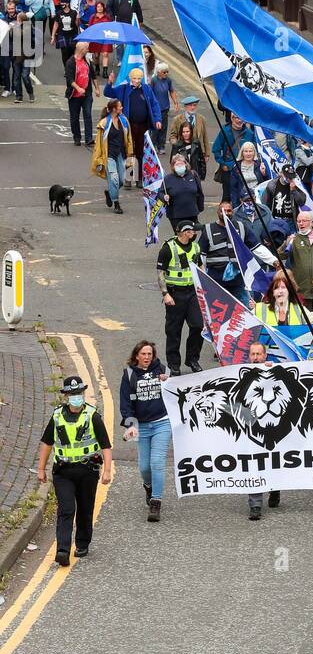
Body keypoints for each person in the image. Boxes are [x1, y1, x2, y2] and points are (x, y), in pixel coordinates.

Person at [36, 375, 113, 566]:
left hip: (88, 470)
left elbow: (105, 445)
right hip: (63, 472)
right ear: (65, 396)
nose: (76, 397)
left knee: (85, 509)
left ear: (83, 394)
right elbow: (47, 442)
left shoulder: (92, 416)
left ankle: (82, 543)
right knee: (66, 509)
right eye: (72, 394)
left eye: (78, 393)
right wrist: (41, 469)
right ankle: (62, 549)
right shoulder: (56, 416)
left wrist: (107, 470)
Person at [120, 341, 171, 523]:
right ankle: (148, 486)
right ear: (136, 356)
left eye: (150, 354)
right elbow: (125, 403)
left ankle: (155, 502)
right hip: (141, 426)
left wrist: (169, 381)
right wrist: (130, 425)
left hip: (162, 423)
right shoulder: (129, 375)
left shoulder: (163, 370)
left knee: (157, 462)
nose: (147, 357)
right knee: (144, 466)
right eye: (143, 354)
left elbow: (177, 392)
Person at [156, 220, 204, 374]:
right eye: (192, 230)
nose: (195, 233)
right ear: (185, 232)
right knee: (174, 330)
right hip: (175, 294)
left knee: (198, 326)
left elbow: (200, 267)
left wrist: (204, 287)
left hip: (192, 293)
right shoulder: (168, 248)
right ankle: (174, 364)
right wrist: (165, 294)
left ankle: (192, 359)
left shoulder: (196, 247)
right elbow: (160, 273)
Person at [243, 342, 282, 520]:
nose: (256, 357)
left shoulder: (273, 370)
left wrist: (273, 369)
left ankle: (275, 487)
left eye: (259, 354)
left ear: (265, 355)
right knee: (254, 463)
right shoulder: (240, 372)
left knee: (272, 459)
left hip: (273, 426)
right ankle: (256, 504)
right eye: (253, 354)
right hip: (251, 426)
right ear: (249, 356)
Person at [104, 66, 162, 183]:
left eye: (139, 78)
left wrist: (157, 119)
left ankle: (140, 178)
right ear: (130, 78)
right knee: (129, 152)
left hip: (143, 126)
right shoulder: (123, 89)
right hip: (128, 126)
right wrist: (110, 82)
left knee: (141, 153)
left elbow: (154, 104)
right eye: (135, 78)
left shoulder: (146, 89)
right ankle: (129, 178)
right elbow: (108, 92)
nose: (137, 81)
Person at [198, 201, 263, 307]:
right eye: (223, 210)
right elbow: (201, 256)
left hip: (239, 280)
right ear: (217, 212)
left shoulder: (241, 227)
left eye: (229, 210)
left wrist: (273, 260)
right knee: (219, 312)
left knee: (244, 310)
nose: (226, 213)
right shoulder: (208, 229)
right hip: (216, 280)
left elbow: (257, 247)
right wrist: (203, 277)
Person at [91, 97, 132, 214]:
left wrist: (130, 154)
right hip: (108, 155)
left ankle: (109, 192)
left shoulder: (124, 121)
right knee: (114, 179)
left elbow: (129, 139)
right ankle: (116, 203)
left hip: (121, 154)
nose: (122, 108)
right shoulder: (103, 124)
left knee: (122, 180)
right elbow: (98, 144)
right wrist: (98, 160)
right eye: (120, 106)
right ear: (114, 109)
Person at [65, 41, 100, 147]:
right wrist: (78, 88)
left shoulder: (87, 61)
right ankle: (77, 137)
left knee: (88, 115)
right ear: (81, 49)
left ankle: (89, 139)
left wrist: (97, 88)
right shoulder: (70, 62)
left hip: (87, 94)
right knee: (74, 117)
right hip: (74, 95)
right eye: (86, 48)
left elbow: (93, 76)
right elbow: (70, 79)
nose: (88, 50)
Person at [212, 113, 254, 202]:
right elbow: (216, 149)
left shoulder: (250, 134)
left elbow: (255, 151)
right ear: (231, 118)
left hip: (244, 170)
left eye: (241, 118)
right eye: (236, 118)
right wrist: (223, 164)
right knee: (227, 198)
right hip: (228, 170)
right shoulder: (224, 131)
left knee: (244, 197)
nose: (239, 120)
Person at [164, 150, 205, 230]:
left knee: (191, 234)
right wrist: (164, 197)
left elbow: (199, 192)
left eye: (181, 164)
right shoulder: (168, 179)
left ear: (186, 164)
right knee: (180, 236)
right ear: (173, 166)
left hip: (191, 212)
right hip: (175, 215)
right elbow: (161, 193)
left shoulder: (193, 175)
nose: (179, 166)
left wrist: (199, 208)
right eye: (177, 164)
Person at [169, 96, 210, 168]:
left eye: (194, 105)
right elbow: (172, 136)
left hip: (197, 153)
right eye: (190, 105)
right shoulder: (177, 119)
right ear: (185, 106)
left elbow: (205, 137)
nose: (193, 107)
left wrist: (207, 154)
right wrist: (177, 145)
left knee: (197, 175)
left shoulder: (201, 119)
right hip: (182, 153)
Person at [229, 140, 269, 209]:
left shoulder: (259, 165)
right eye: (246, 151)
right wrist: (236, 206)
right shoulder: (236, 167)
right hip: (243, 199)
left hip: (258, 198)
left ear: (254, 153)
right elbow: (233, 189)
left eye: (250, 151)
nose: (248, 154)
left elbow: (266, 184)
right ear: (242, 153)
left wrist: (264, 174)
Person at [8, 10, 35, 102]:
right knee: (16, 78)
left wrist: (14, 28)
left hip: (26, 57)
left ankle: (30, 93)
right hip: (16, 56)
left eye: (18, 19)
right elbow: (11, 38)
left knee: (25, 76)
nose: (17, 20)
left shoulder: (28, 28)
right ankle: (19, 96)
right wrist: (10, 30)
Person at [150, 62, 178, 151]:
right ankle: (153, 145)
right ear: (158, 72)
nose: (166, 74)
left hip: (165, 108)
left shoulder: (168, 80)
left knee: (163, 128)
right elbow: (149, 94)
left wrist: (175, 103)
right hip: (155, 109)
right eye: (164, 72)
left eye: (167, 72)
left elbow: (172, 91)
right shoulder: (153, 80)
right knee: (155, 128)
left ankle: (161, 146)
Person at [51, 0, 79, 67]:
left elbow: (77, 25)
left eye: (63, 3)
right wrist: (53, 36)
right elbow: (56, 24)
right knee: (64, 53)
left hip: (72, 35)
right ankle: (66, 68)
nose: (62, 4)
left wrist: (77, 18)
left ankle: (71, 67)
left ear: (68, 4)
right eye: (61, 3)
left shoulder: (74, 13)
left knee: (72, 53)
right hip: (62, 35)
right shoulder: (59, 13)